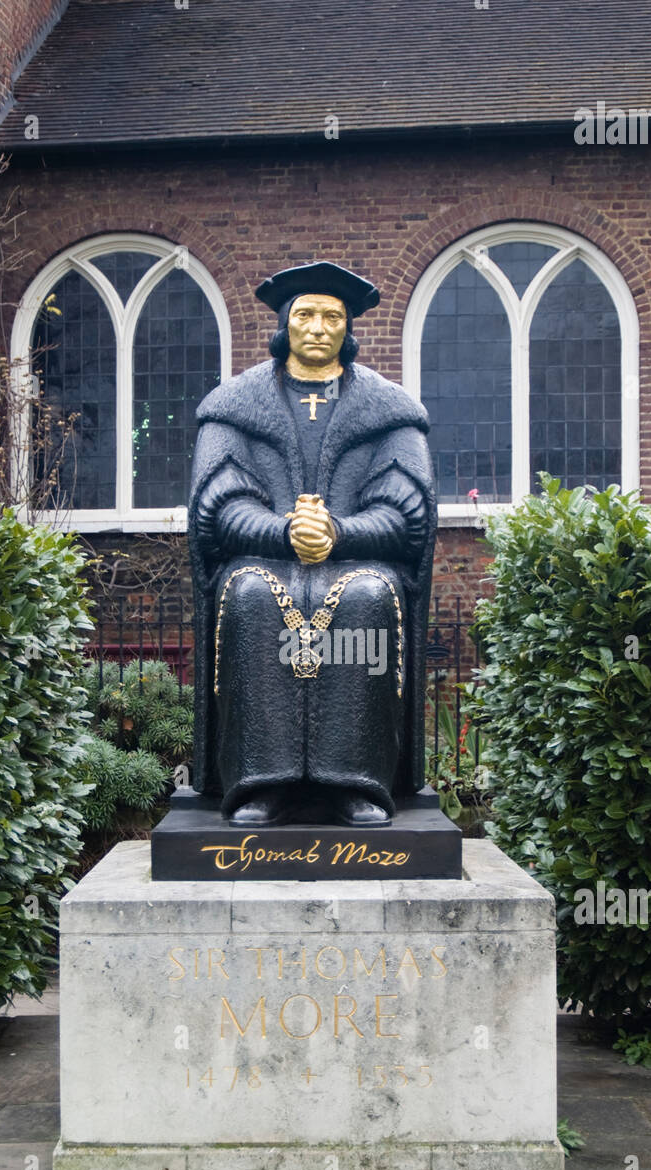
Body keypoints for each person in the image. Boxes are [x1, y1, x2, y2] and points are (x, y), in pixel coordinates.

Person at [187, 261, 436, 827]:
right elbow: (219, 504)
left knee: (368, 595)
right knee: (250, 592)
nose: (319, 328)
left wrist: (338, 533)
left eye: (333, 316)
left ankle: (355, 782)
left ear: (348, 328)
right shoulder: (233, 406)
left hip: (357, 560)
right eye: (305, 315)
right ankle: (262, 782)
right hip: (264, 557)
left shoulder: (391, 411)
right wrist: (283, 533)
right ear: (285, 324)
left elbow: (406, 512)